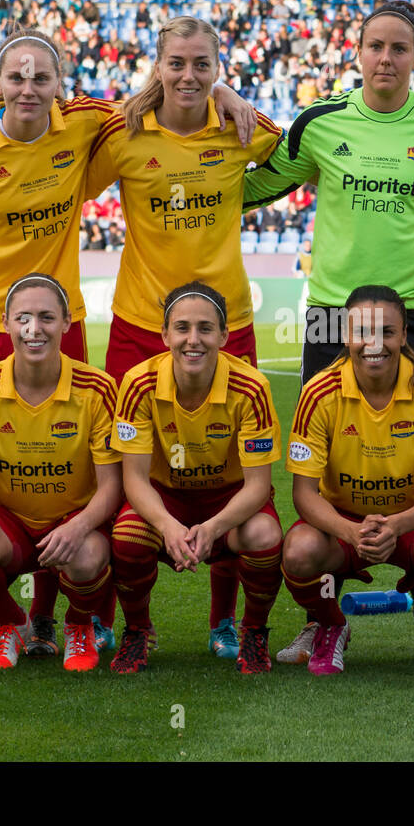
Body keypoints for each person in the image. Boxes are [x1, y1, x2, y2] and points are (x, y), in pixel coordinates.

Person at [0, 25, 252, 657]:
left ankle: (51, 618)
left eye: (41, 77)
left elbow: (169, 85)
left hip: (57, 321)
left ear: (59, 86)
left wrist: (226, 88)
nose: (28, 88)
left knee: (67, 473)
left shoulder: (84, 123)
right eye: (16, 76)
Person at [87, 16, 281, 653]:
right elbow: (69, 174)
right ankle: (119, 620)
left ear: (218, 68)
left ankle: (224, 620)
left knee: (230, 469)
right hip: (140, 325)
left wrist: (236, 99)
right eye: (177, 63)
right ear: (158, 67)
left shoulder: (238, 128)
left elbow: (291, 151)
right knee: (119, 472)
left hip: (229, 326)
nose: (189, 75)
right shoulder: (124, 134)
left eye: (203, 64)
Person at [243, 0, 414, 385]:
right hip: (334, 309)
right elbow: (262, 187)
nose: (386, 59)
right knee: (326, 438)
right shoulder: (318, 123)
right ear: (358, 53)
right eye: (375, 47)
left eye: (399, 49)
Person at [280, 285, 414, 680]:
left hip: (413, 524)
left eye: (386, 332)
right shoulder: (319, 392)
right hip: (344, 525)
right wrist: (351, 531)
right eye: (362, 332)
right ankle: (332, 626)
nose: (375, 344)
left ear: (404, 335)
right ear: (346, 335)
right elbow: (303, 493)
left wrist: (398, 525)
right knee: (299, 551)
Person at [0, 274, 122, 671]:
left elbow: (112, 486)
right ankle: (13, 623)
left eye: (46, 317)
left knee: (87, 556)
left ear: (66, 323)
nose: (33, 329)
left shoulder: (97, 389)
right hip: (8, 520)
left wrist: (78, 527)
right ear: (5, 322)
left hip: (74, 518)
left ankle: (78, 626)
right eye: (23, 318)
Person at [108, 281, 284, 673]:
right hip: (164, 498)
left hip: (228, 499)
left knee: (264, 536)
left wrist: (214, 525)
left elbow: (258, 486)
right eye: (182, 327)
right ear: (165, 334)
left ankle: (252, 631)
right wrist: (168, 526)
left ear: (223, 335)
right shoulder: (138, 383)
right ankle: (137, 630)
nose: (193, 339)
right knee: (128, 536)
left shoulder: (252, 387)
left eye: (205, 328)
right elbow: (133, 479)